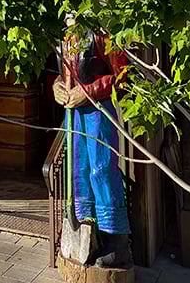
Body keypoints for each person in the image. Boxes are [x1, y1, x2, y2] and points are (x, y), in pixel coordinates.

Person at [53, 32, 132, 268]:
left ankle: (116, 241)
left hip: (98, 110)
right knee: (78, 167)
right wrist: (58, 86)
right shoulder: (65, 36)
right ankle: (87, 231)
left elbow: (123, 77)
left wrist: (90, 90)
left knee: (102, 169)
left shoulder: (101, 34)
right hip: (74, 113)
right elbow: (65, 74)